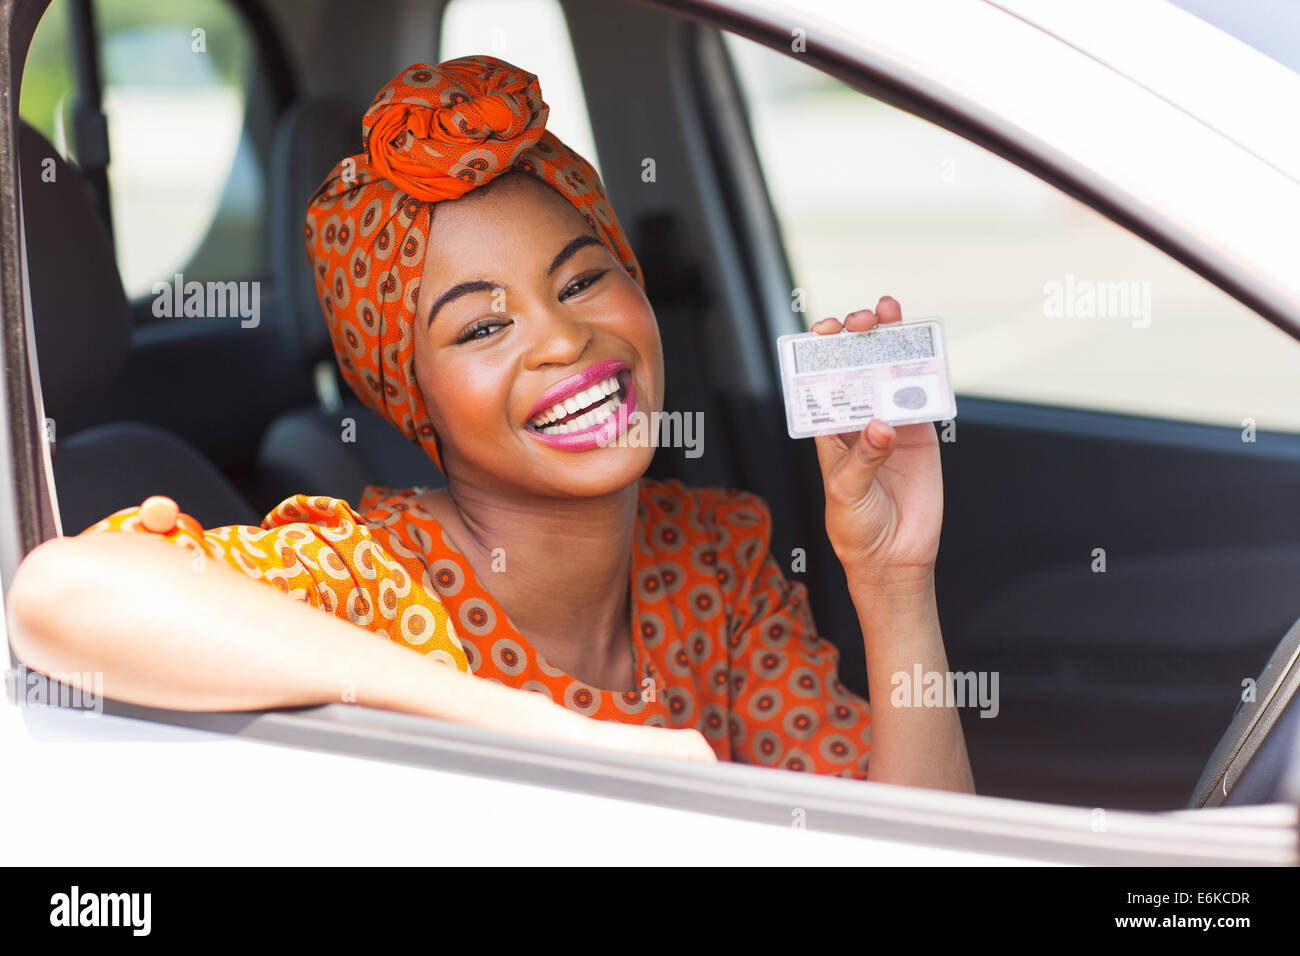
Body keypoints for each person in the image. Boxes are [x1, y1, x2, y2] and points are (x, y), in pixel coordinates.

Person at [8, 55, 973, 791]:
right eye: (481, 326)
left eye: (583, 280)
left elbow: (914, 851)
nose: (563, 338)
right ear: (411, 396)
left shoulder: (714, 561)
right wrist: (541, 735)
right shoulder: (375, 579)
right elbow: (61, 594)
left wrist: (893, 583)